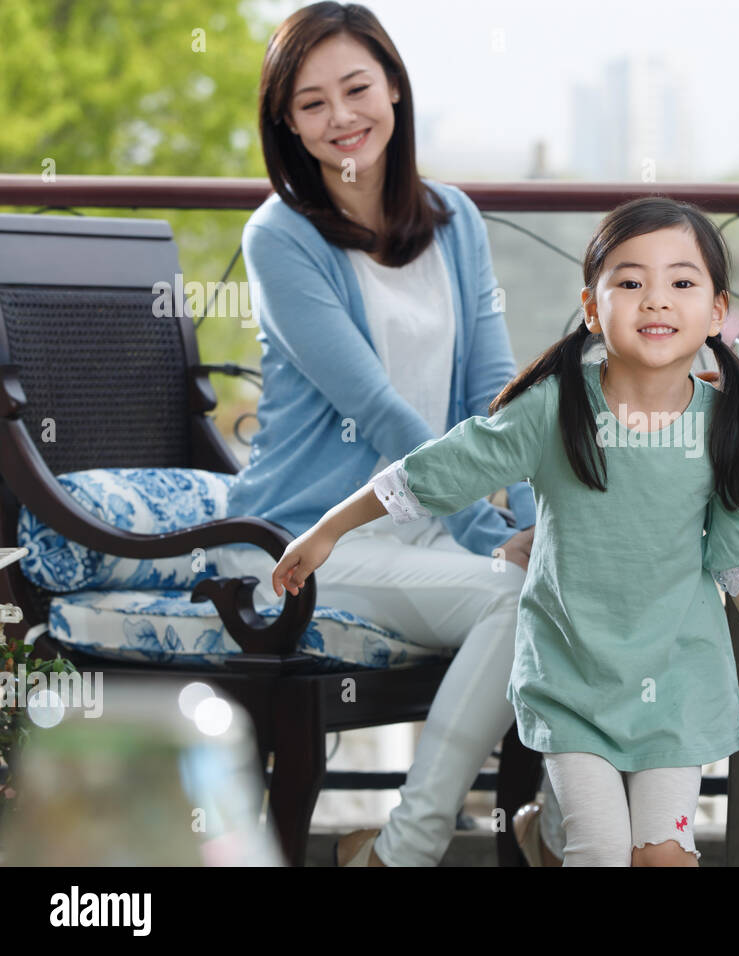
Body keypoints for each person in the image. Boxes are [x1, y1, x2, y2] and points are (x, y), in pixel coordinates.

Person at [271, 196, 739, 866]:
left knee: (664, 855)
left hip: (676, 685)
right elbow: (439, 469)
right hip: (571, 683)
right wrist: (330, 529)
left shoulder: (726, 424)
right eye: (631, 282)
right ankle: (551, 834)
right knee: (601, 851)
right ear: (592, 307)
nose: (656, 301)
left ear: (717, 312)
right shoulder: (552, 410)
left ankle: (540, 832)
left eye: (682, 282)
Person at [215, 1, 566, 866]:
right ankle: (405, 850)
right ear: (288, 126)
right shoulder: (281, 238)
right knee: (511, 594)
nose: (341, 118)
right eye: (311, 103)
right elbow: (378, 409)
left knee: (572, 576)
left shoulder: (455, 219)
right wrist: (491, 533)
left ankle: (557, 831)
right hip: (310, 538)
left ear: (395, 90)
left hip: (427, 530)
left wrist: (536, 520)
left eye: (356, 88)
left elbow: (497, 394)